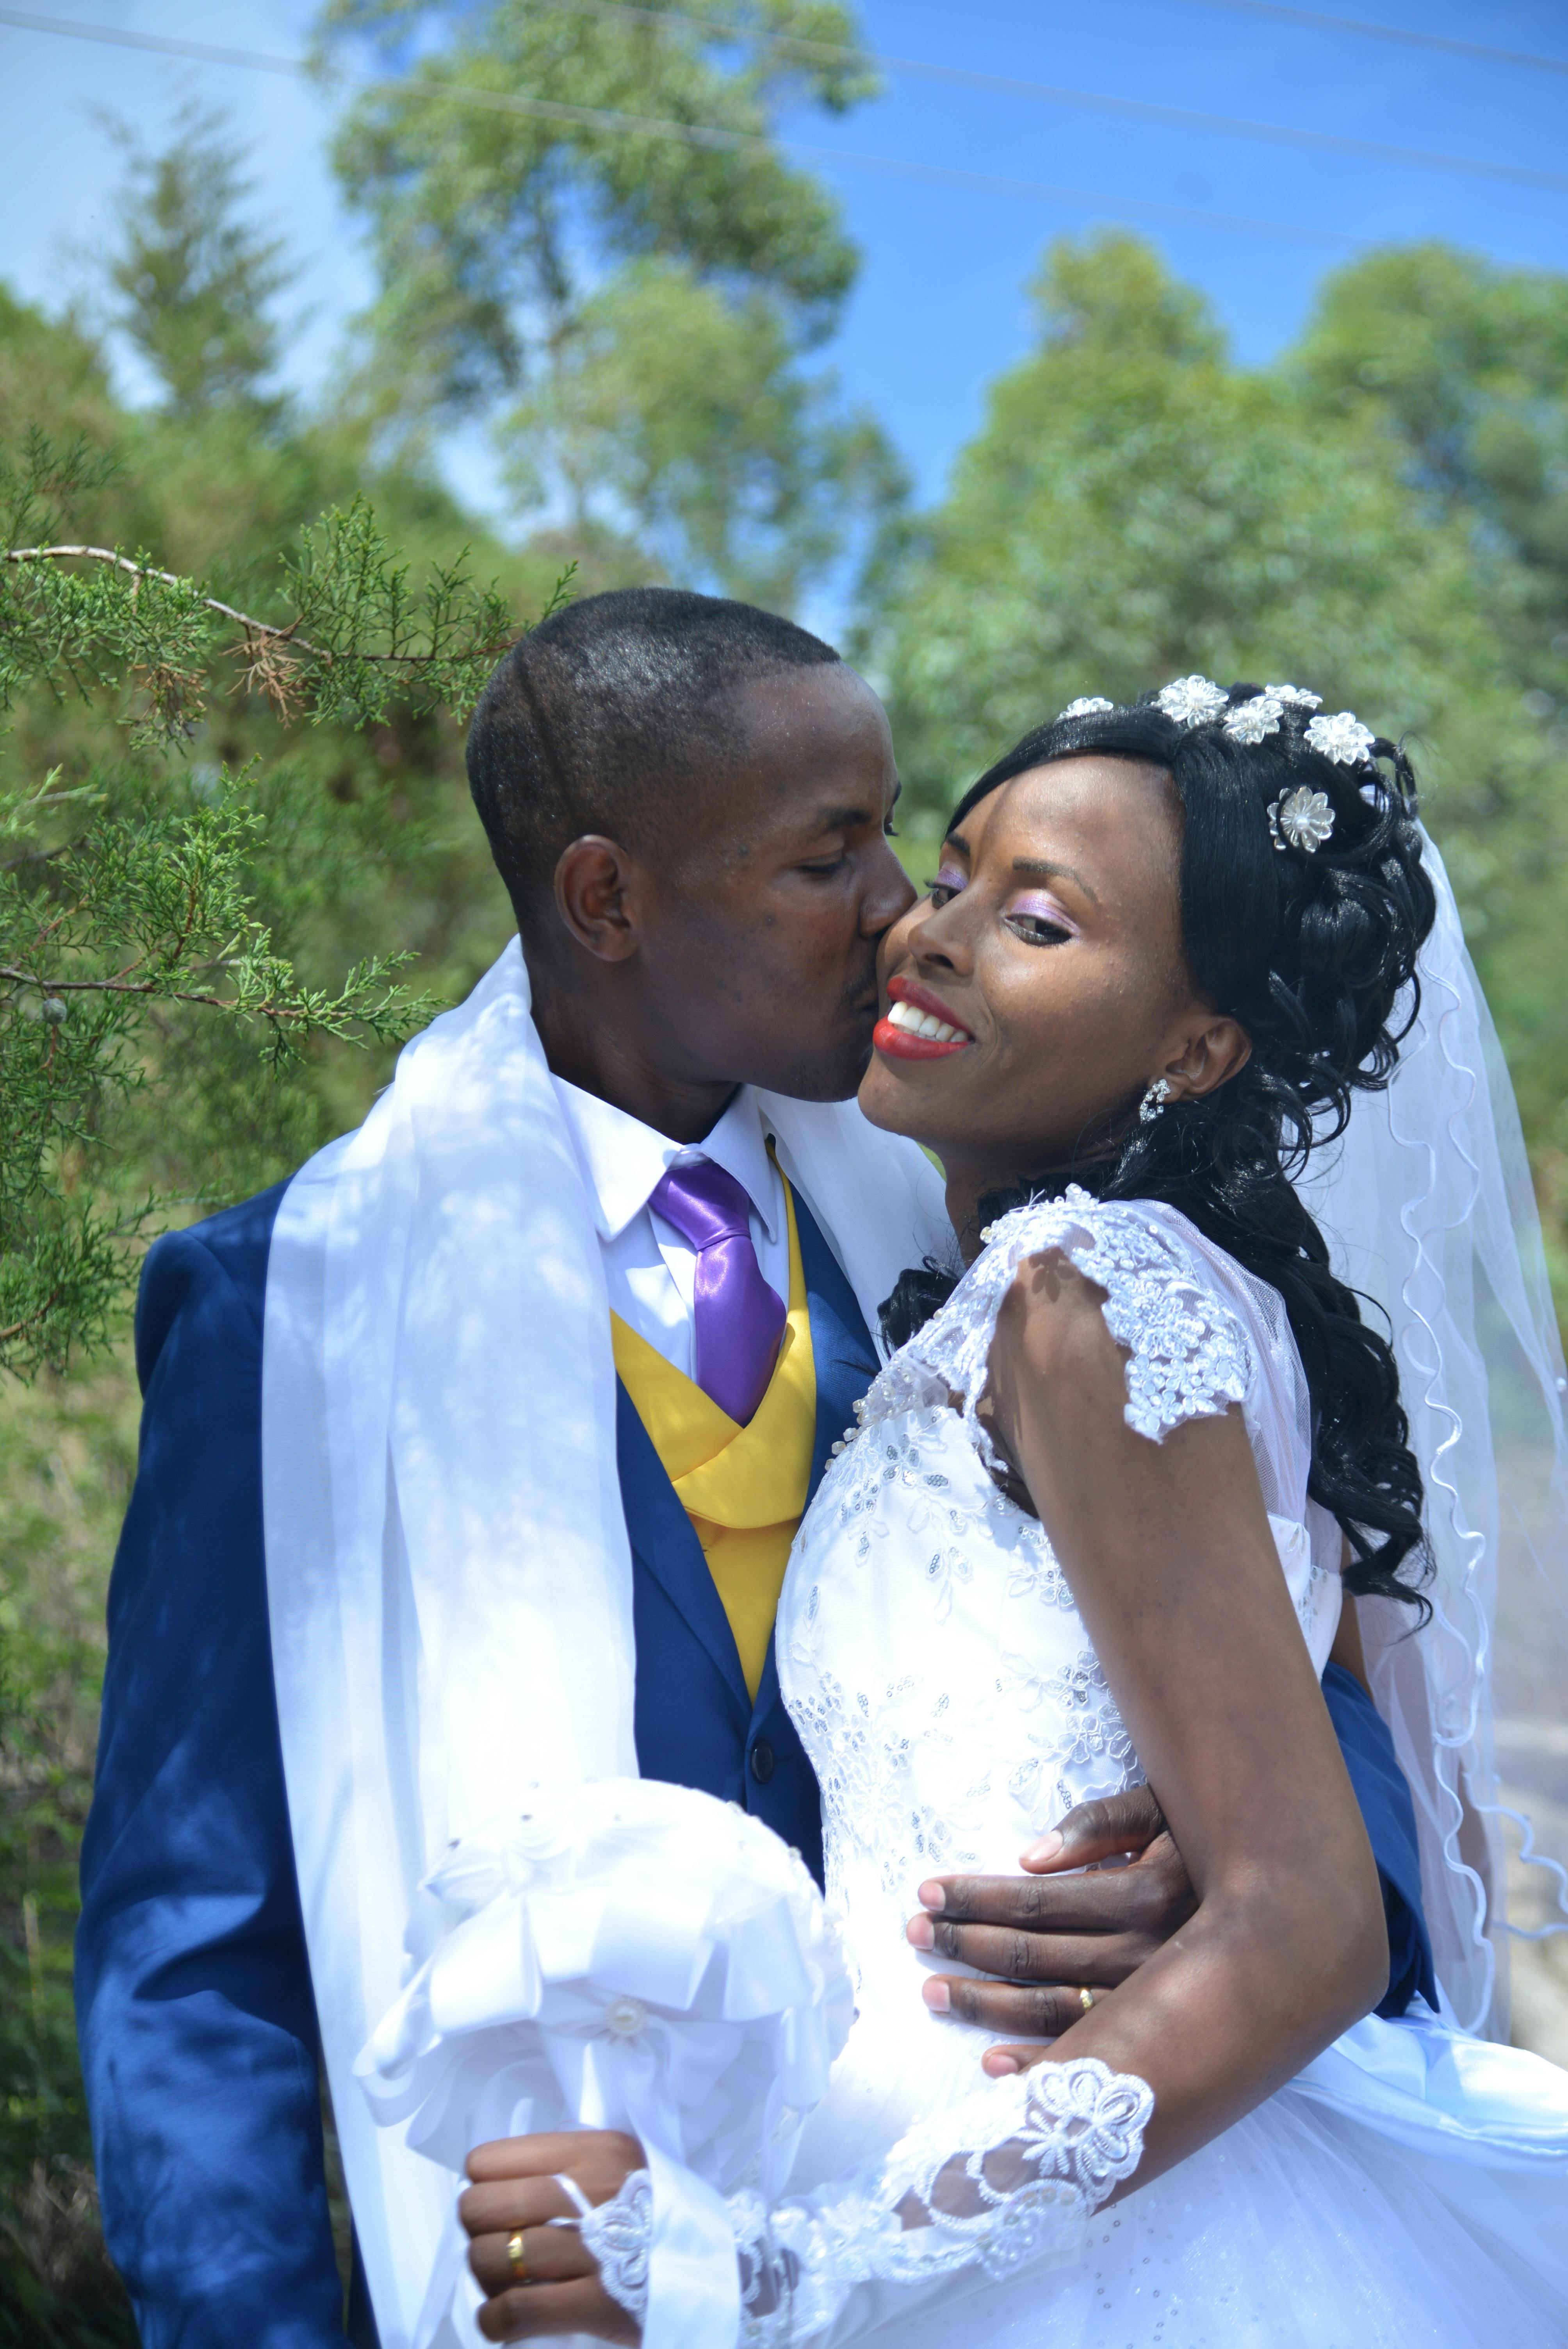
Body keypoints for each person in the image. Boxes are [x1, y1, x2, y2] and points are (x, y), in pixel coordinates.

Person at [75, 610, 1434, 2349]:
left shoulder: (991, 1214)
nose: (896, 908)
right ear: (606, 901)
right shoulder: (290, 1307)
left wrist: (1239, 1867)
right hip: (552, 2265)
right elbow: (194, 1947)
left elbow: (1296, 1667)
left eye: (895, 837)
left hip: (1000, 2226)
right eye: (828, 855)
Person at [453, 680, 1568, 2346]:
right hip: (968, 2146)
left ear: (1195, 1048)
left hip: (1082, 2213)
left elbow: (1308, 1914)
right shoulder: (1047, 1289)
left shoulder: (1088, 1294)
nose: (931, 932)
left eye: (1036, 919)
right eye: (954, 871)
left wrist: (777, 2273)